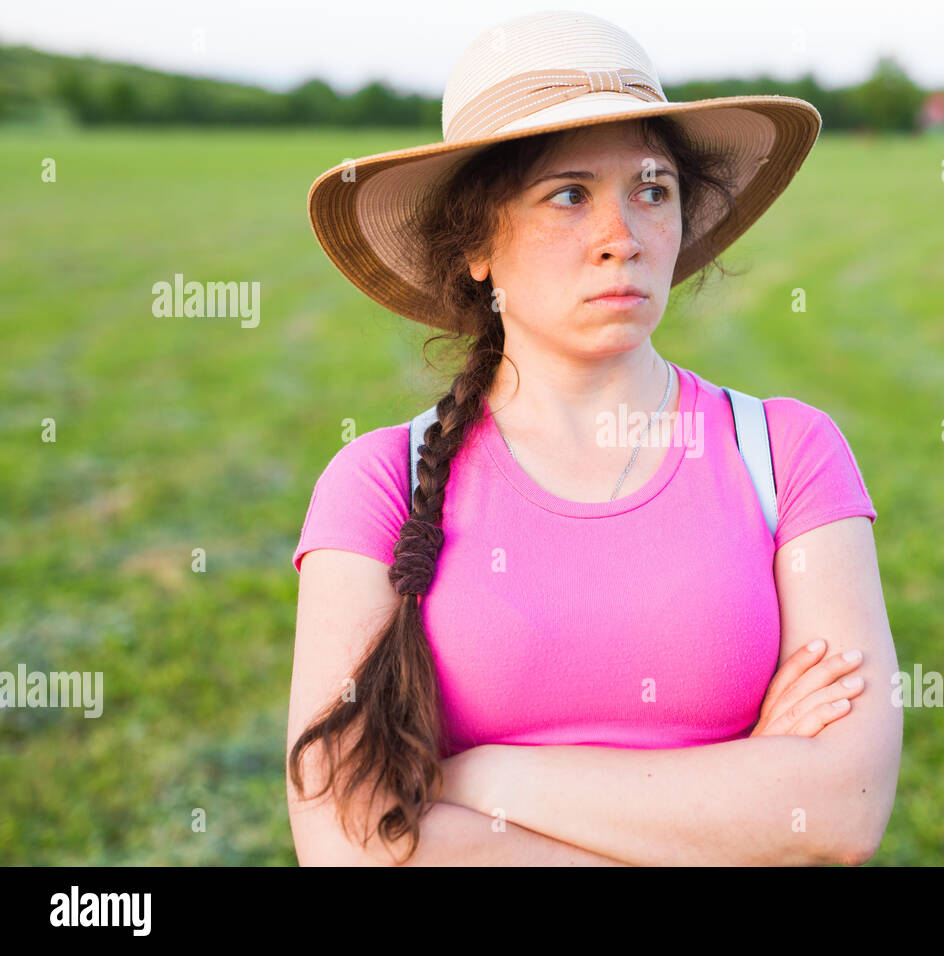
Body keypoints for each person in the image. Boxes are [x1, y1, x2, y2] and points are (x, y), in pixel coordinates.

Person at [286, 9, 902, 867]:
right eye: (569, 195)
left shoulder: (788, 453)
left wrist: (476, 778)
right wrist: (739, 798)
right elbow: (349, 843)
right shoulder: (377, 483)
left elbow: (840, 809)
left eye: (653, 190)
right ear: (476, 245)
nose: (623, 239)